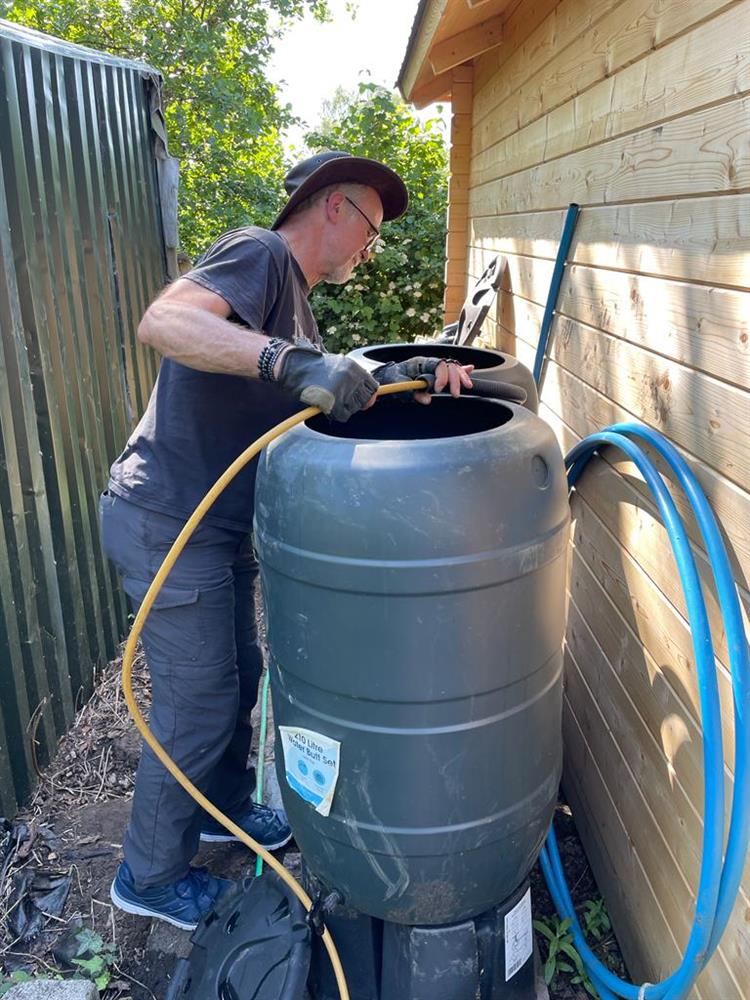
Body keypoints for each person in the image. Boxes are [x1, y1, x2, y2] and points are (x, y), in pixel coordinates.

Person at [99, 151, 473, 930]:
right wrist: (287, 358)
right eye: (371, 227)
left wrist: (412, 368)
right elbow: (164, 323)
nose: (372, 248)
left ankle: (221, 805)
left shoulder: (295, 304)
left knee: (239, 672)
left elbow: (319, 396)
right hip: (168, 519)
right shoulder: (258, 252)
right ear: (333, 208)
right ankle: (149, 875)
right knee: (198, 700)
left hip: (217, 528)